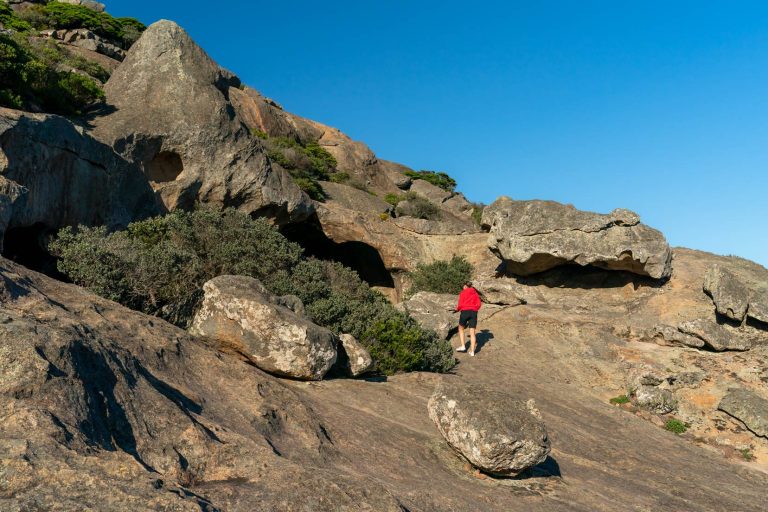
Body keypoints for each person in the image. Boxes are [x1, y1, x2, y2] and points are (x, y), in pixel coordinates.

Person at [455, 281, 481, 356]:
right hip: (473, 312)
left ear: (465, 286)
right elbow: (479, 304)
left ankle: (463, 346)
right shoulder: (475, 293)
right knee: (472, 332)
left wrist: (457, 309)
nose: (462, 288)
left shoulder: (463, 292)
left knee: (460, 328)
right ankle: (472, 352)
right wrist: (475, 309)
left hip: (465, 312)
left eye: (463, 286)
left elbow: (460, 304)